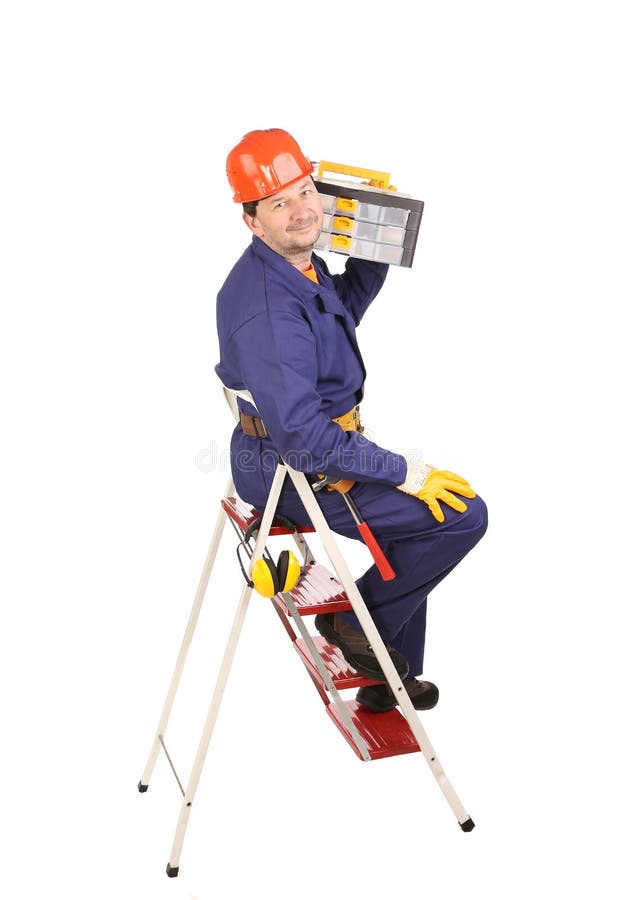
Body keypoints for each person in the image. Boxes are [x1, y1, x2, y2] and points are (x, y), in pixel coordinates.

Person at [215, 128, 488, 712]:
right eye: (279, 202)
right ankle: (356, 626)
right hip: (287, 464)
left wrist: (373, 225)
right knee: (459, 518)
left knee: (425, 522)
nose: (302, 210)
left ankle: (383, 667)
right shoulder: (267, 307)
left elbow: (341, 311)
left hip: (316, 444)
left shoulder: (297, 272)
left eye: (306, 190)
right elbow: (303, 436)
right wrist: (403, 473)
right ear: (252, 219)